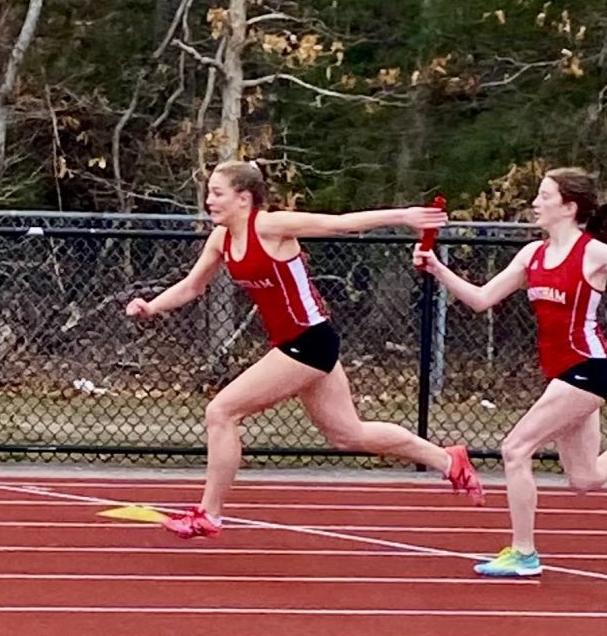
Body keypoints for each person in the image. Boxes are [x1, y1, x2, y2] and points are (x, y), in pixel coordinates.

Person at [126, 160, 485, 539]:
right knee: (347, 434)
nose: (209, 201)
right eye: (209, 192)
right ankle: (448, 460)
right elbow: (191, 286)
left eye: (217, 193)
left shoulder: (271, 226)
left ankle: (210, 514)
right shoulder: (221, 239)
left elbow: (340, 223)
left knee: (222, 412)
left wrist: (404, 215)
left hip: (309, 341)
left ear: (244, 198)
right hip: (297, 343)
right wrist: (152, 305)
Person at [413, 166, 607, 578]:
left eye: (544, 196)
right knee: (585, 478)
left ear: (569, 207)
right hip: (563, 372)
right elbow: (482, 299)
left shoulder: (593, 252)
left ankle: (524, 553)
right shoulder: (532, 255)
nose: (535, 203)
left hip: (587, 369)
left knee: (515, 449)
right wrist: (437, 268)